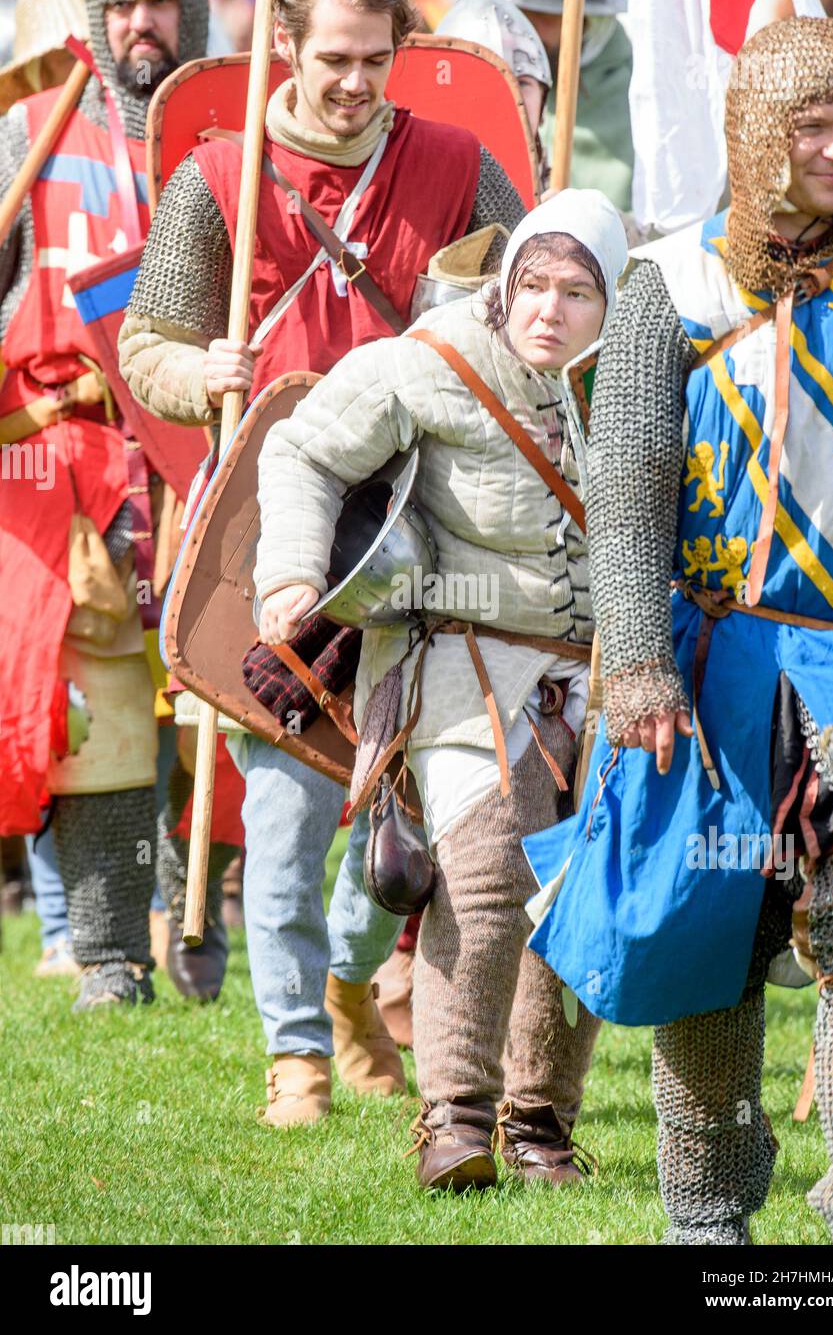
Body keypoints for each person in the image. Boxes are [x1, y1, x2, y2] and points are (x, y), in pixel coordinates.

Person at [120, 0, 529, 1125]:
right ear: (285, 53)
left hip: (418, 527)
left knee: (398, 820)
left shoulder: (455, 164)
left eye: (376, 59)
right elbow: (142, 345)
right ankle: (293, 1046)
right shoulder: (218, 174)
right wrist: (202, 366)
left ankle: (352, 982)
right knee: (290, 813)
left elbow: (535, 315)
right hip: (273, 526)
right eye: (333, 60)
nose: (355, 83)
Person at [524, 17, 833, 1245]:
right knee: (707, 935)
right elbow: (625, 493)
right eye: (812, 129)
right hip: (708, 666)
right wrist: (629, 660)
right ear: (752, 136)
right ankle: (705, 1212)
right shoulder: (669, 283)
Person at [255, 188, 627, 1189]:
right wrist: (290, 571)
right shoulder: (430, 361)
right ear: (505, 282)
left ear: (608, 302)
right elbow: (301, 446)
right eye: (533, 285)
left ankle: (539, 1123)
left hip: (585, 669)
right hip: (456, 658)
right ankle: (454, 1119)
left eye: (577, 291)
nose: (549, 309)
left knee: (581, 888)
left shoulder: (621, 384)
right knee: (490, 868)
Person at [0, 0, 209, 1010]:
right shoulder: (30, 134)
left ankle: (204, 920)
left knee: (228, 689)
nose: (140, 24)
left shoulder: (226, 130)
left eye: (160, 0)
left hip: (203, 450)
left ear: (194, 6)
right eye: (121, 2)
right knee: (105, 711)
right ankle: (107, 953)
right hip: (71, 463)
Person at [452, 0, 633, 209]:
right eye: (513, 13)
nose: (522, 29)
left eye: (540, 16)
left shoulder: (636, 93)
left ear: (589, 20)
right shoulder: (482, 72)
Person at [435, 0, 552, 187]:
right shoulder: (424, 183)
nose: (511, 95)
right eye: (488, 82)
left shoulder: (562, 205)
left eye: (523, 83)